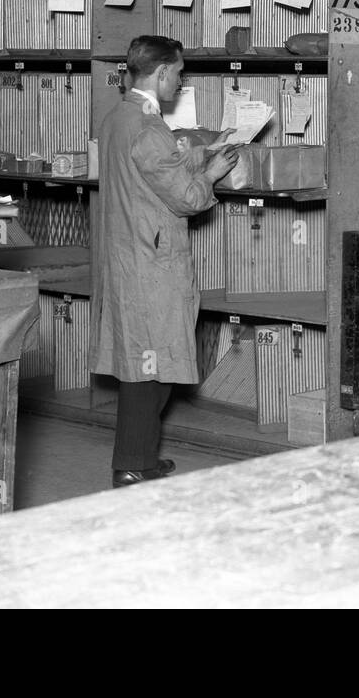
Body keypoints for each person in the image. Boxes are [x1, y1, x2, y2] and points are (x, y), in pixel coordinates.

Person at [90, 36, 239, 488]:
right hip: (151, 261)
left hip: (128, 253)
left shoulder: (120, 116)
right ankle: (132, 465)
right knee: (151, 366)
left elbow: (158, 163)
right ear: (159, 74)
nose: (181, 79)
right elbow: (187, 198)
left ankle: (137, 459)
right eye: (178, 72)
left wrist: (205, 150)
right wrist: (211, 175)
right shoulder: (150, 129)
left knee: (144, 360)